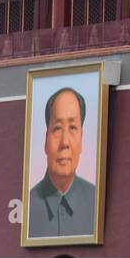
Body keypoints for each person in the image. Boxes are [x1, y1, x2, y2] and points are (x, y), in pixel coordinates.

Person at [28, 87, 96, 238]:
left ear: (82, 139)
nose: (64, 143)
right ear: (46, 140)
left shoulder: (97, 202)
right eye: (57, 128)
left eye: (72, 128)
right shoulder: (27, 206)